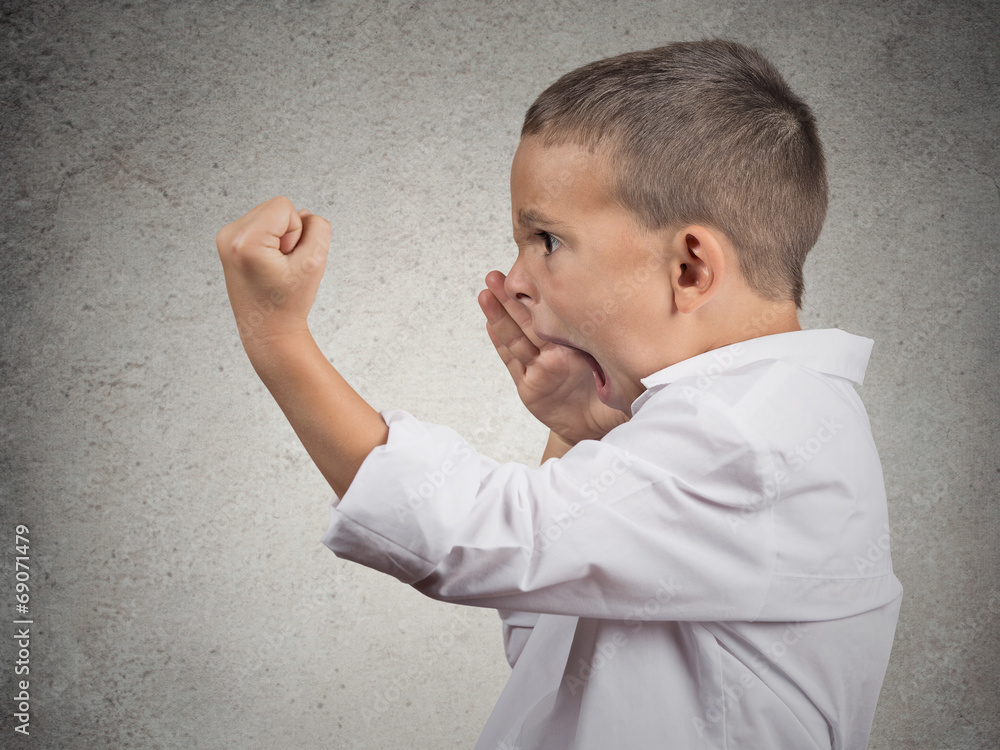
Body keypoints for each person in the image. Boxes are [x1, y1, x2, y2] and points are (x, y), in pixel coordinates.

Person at [217, 39, 902, 750]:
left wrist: (277, 337)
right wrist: (582, 431)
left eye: (545, 238)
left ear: (691, 269)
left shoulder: (755, 429)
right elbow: (547, 645)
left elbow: (475, 537)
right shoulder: (730, 418)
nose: (514, 278)